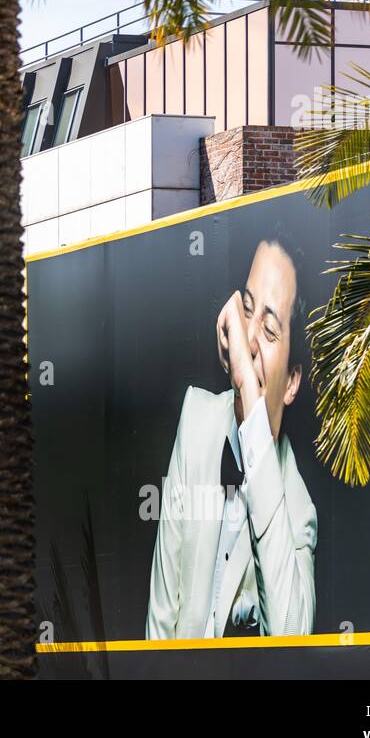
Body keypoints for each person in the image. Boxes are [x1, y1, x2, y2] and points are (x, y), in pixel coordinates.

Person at [146, 238, 318, 639]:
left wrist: (246, 380)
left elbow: (291, 635)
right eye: (246, 310)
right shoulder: (197, 418)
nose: (250, 340)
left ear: (292, 383)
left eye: (271, 330)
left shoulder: (298, 508)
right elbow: (161, 615)